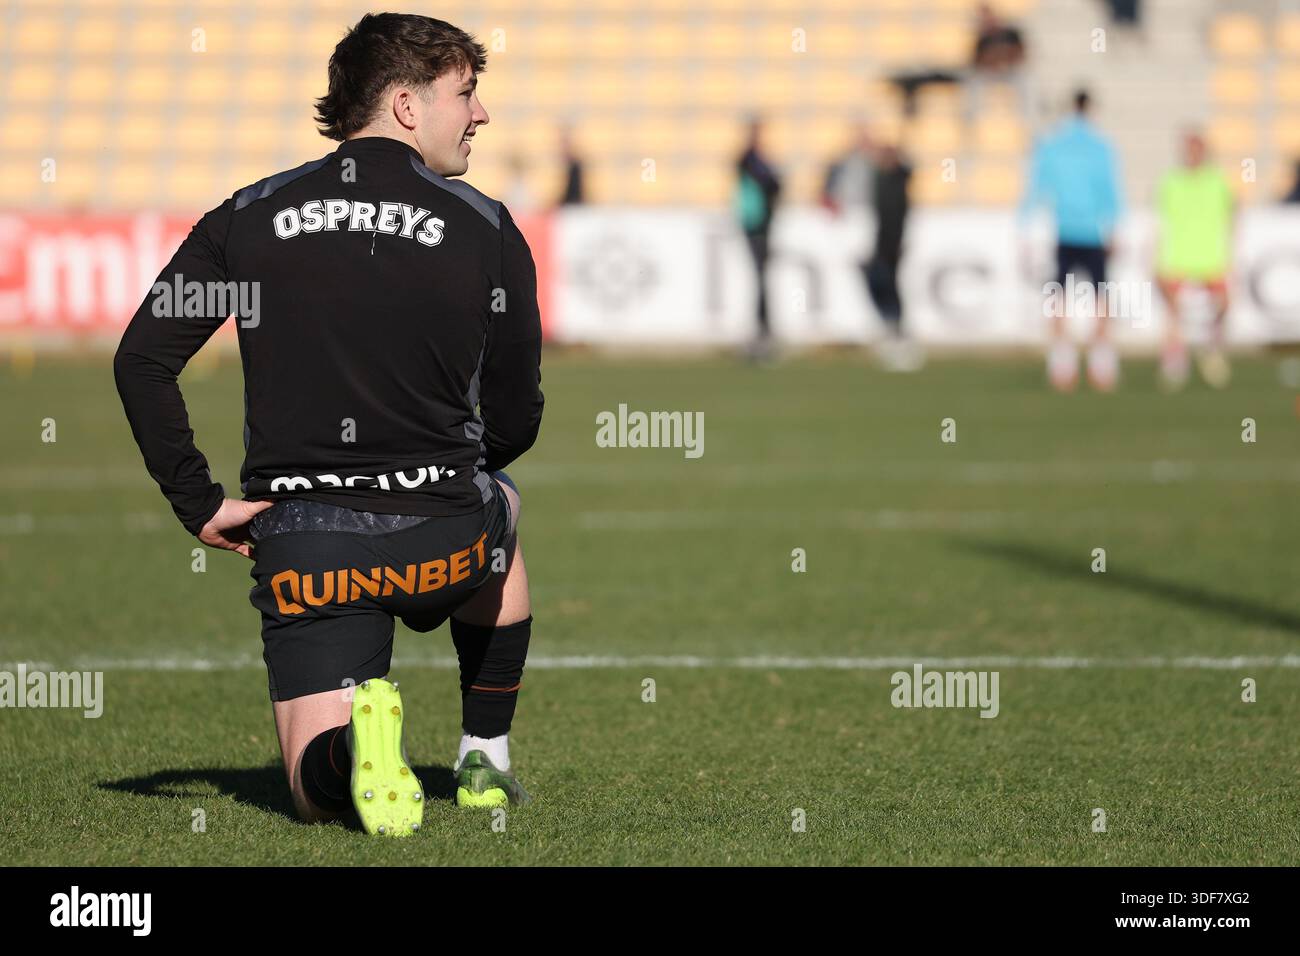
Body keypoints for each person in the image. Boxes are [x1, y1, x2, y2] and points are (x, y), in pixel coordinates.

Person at [113, 13, 544, 836]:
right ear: (409, 106)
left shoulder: (248, 213)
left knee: (314, 795)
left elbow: (141, 361)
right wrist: (459, 466)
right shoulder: (485, 224)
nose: (481, 114)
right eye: (467, 93)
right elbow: (517, 412)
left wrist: (198, 502)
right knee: (506, 501)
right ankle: (485, 752)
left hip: (308, 546)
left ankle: (353, 755)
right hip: (443, 535)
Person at [1021, 89, 1124, 391]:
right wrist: (1114, 228)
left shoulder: (1052, 145)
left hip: (1064, 231)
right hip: (1093, 233)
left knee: (1058, 298)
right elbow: (1111, 192)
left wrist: (1025, 227)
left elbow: (1037, 189)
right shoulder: (1101, 146)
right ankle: (1100, 361)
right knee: (1101, 298)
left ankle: (1063, 361)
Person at [1155, 130, 1235, 389]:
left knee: (1223, 305)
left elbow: (1232, 213)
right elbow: (1158, 221)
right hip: (1177, 255)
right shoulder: (1171, 181)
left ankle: (1211, 349)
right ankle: (1175, 361)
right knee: (1174, 311)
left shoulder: (1217, 181)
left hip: (1210, 256)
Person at [735, 117, 782, 360]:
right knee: (760, 277)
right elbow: (772, 183)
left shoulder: (753, 160)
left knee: (762, 277)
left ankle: (763, 329)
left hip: (760, 223)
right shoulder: (748, 160)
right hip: (755, 223)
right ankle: (762, 331)